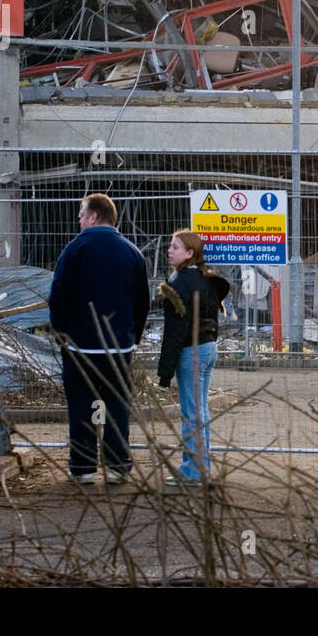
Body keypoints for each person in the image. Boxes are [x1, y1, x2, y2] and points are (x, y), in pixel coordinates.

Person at [48, 193, 150, 485]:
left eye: (81, 214)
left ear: (93, 216)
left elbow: (58, 297)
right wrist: (133, 336)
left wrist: (61, 334)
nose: (78, 219)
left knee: (82, 406)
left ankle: (83, 467)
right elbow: (141, 301)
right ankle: (118, 466)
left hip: (80, 346)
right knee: (116, 406)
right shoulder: (132, 252)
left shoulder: (74, 250)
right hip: (119, 347)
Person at [157, 229, 231, 487]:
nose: (169, 250)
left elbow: (174, 331)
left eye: (175, 247)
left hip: (191, 351)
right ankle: (200, 466)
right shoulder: (205, 279)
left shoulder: (179, 285)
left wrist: (164, 372)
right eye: (170, 246)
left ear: (190, 253)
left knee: (191, 412)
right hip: (209, 347)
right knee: (200, 409)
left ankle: (194, 471)